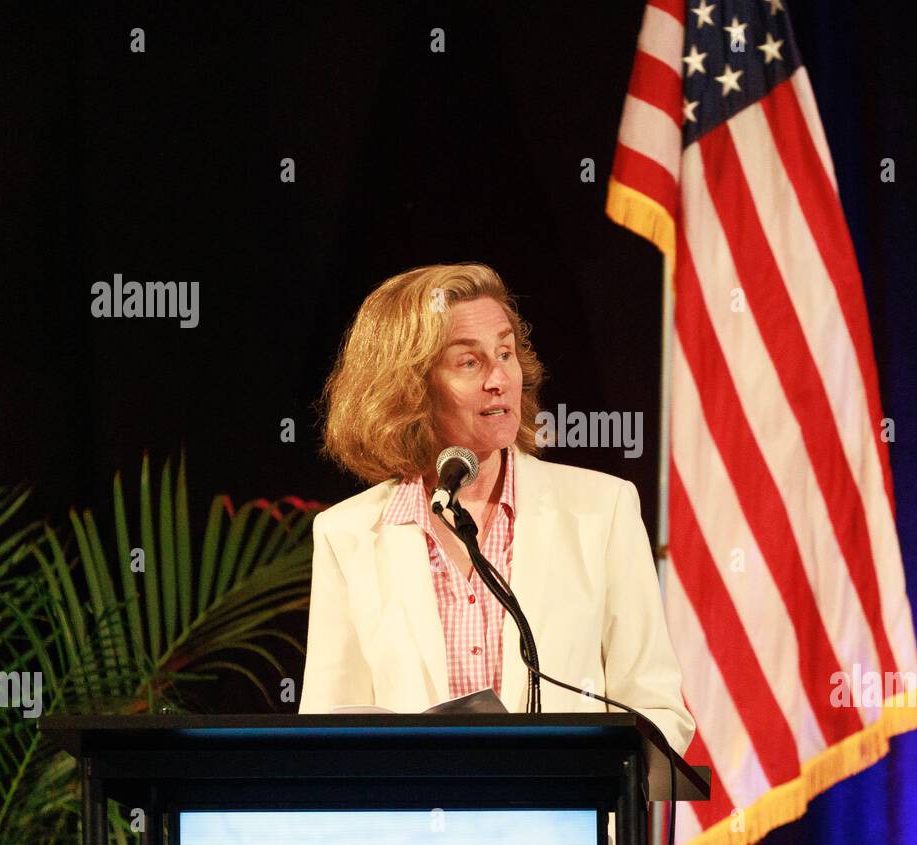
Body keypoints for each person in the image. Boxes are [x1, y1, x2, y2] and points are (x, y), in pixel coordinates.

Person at [298, 262, 695, 759]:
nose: (500, 379)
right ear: (409, 387)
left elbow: (658, 709)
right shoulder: (348, 534)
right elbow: (328, 729)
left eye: (505, 353)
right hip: (415, 827)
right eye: (468, 362)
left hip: (565, 824)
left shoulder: (602, 510)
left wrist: (577, 777)